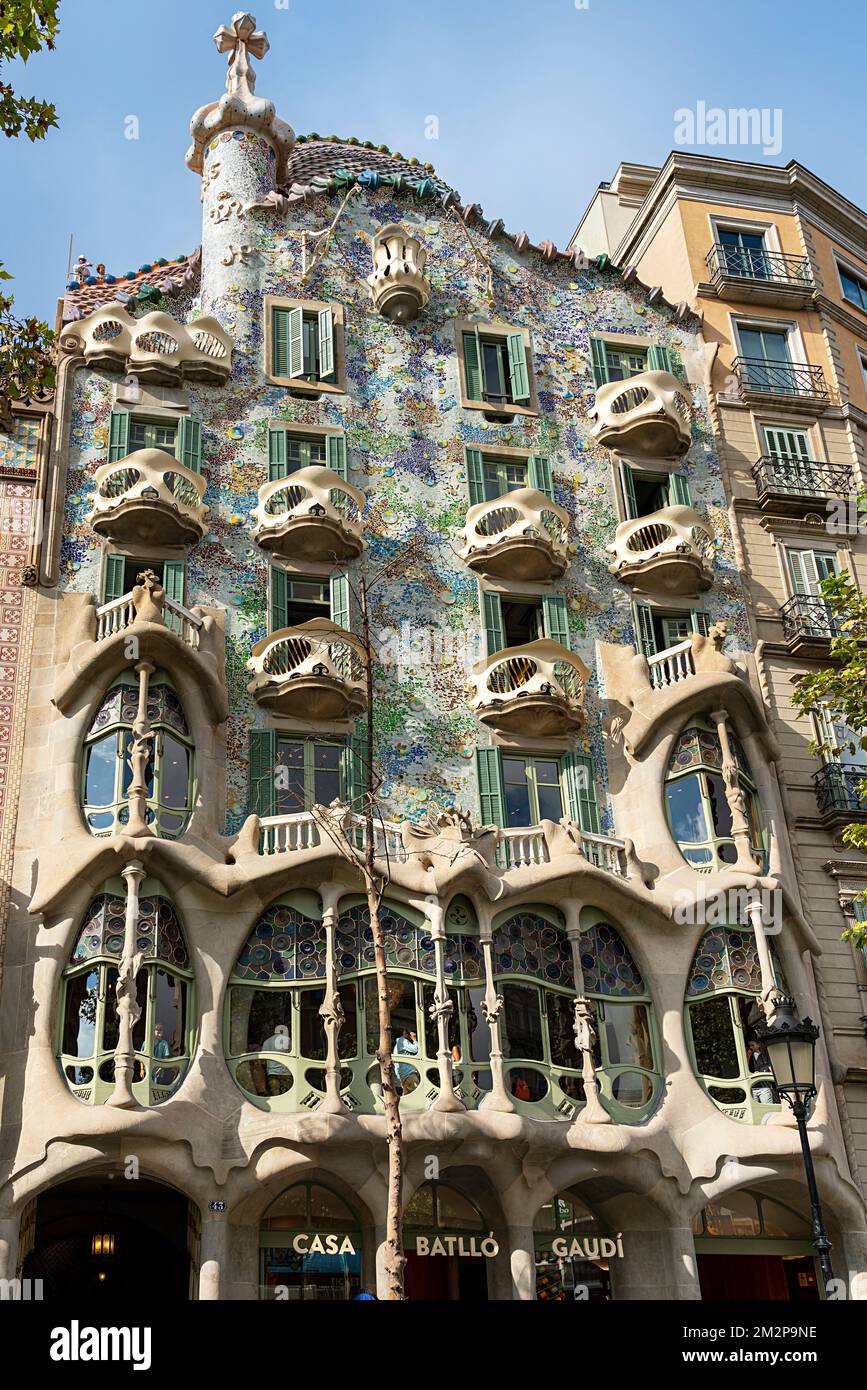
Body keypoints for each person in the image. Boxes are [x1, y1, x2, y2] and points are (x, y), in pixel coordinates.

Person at [261, 1023, 291, 1095]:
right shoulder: (288, 1040)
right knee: (287, 1094)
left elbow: (263, 1060)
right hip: (286, 1072)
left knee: (275, 1092)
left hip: (272, 1073)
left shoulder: (267, 1042)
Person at [747, 1039, 775, 1105]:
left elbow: (770, 1067)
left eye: (752, 1045)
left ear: (758, 1045)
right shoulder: (748, 1056)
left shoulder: (765, 1056)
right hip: (753, 1087)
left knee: (768, 1108)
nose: (751, 1047)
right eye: (749, 1046)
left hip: (764, 1086)